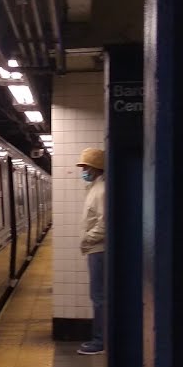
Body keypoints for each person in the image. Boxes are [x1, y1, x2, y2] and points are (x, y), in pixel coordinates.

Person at [78, 148, 106, 355]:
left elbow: (105, 224)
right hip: (95, 250)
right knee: (97, 296)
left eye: (86, 167)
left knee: (99, 297)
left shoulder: (102, 190)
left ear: (96, 168)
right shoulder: (95, 188)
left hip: (99, 250)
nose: (83, 170)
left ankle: (100, 341)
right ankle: (99, 338)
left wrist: (87, 239)